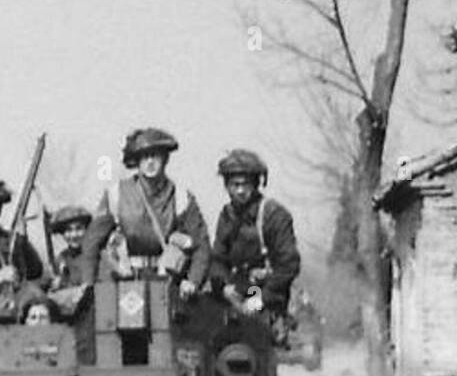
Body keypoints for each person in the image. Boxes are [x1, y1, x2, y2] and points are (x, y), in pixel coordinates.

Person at [80, 128, 210, 296]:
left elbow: (201, 245)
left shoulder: (181, 197)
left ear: (165, 159)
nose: (150, 162)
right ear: (136, 161)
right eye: (144, 156)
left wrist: (193, 281)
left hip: (168, 282)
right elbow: (92, 241)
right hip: (126, 281)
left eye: (155, 155)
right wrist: (87, 283)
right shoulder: (116, 194)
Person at [209, 149, 300, 342]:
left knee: (258, 351)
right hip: (235, 295)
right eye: (235, 185)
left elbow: (289, 264)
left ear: (256, 184)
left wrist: (262, 298)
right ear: (227, 186)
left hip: (265, 295)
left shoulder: (274, 215)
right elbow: (217, 258)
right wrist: (223, 286)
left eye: (246, 184)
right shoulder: (227, 216)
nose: (240, 191)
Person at [46, 205, 94, 287]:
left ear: (86, 230)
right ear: (62, 234)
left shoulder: (96, 255)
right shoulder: (61, 258)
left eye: (79, 229)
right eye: (68, 230)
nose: (74, 235)